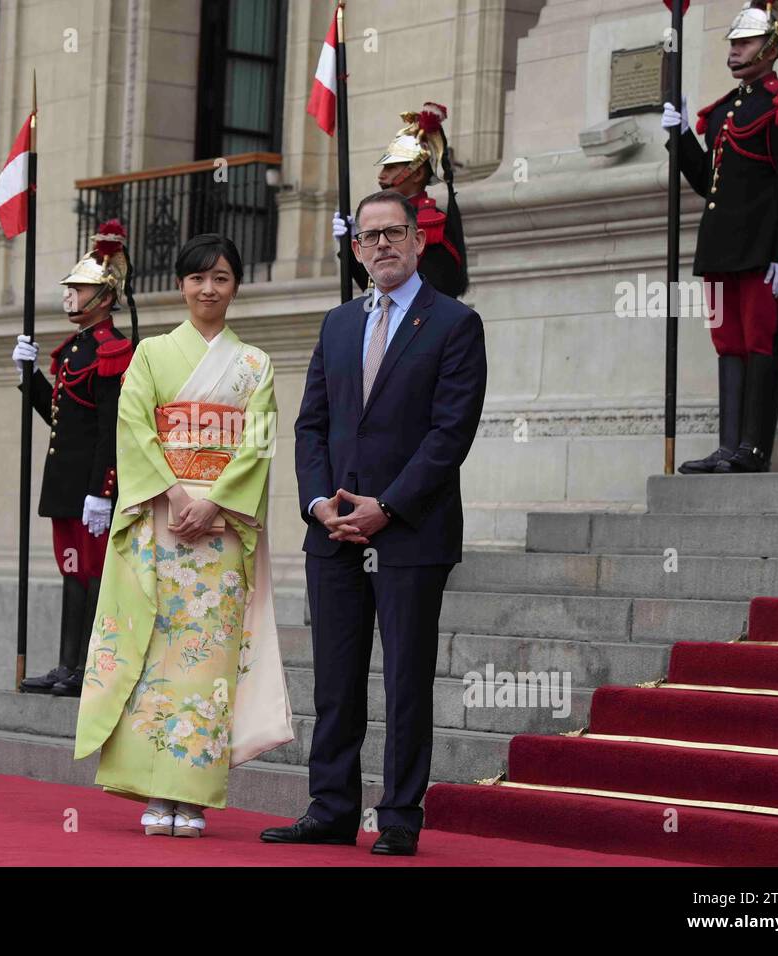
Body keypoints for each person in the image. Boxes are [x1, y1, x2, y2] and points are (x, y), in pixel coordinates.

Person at [263, 190, 486, 856]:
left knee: (407, 681)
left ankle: (397, 818)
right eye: (371, 237)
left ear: (418, 242)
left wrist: (385, 507)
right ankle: (331, 808)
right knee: (335, 679)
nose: (383, 245)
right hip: (331, 532)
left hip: (411, 532)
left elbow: (450, 434)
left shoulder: (454, 323)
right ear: (356, 250)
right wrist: (317, 504)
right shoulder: (337, 324)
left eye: (395, 234)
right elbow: (310, 427)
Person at [73, 234, 293, 838]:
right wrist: (173, 496)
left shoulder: (255, 365)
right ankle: (150, 788)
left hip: (218, 531)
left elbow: (259, 443)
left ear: (236, 287)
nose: (208, 289)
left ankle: (190, 796)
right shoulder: (150, 355)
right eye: (197, 278)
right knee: (153, 653)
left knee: (207, 661)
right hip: (161, 522)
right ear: (180, 285)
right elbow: (134, 426)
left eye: (220, 278)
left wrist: (214, 502)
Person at [663, 0, 778, 474]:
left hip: (762, 252)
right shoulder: (728, 109)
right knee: (728, 344)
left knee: (760, 343)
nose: (733, 51)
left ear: (770, 48)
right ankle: (729, 447)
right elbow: (710, 181)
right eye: (732, 43)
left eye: (744, 42)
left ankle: (753, 449)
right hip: (723, 251)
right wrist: (683, 135)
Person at [12, 220, 134, 697]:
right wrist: (29, 377)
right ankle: (66, 666)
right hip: (65, 486)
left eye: (78, 289)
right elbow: (59, 417)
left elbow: (111, 429)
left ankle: (88, 668)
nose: (69, 297)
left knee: (93, 576)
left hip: (91, 488)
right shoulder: (73, 351)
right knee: (71, 572)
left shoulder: (113, 351)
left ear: (104, 297)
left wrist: (103, 491)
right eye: (69, 289)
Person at [332, 102, 468, 299]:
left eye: (390, 168)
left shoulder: (431, 224)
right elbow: (371, 289)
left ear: (417, 173)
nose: (381, 176)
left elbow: (434, 293)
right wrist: (351, 245)